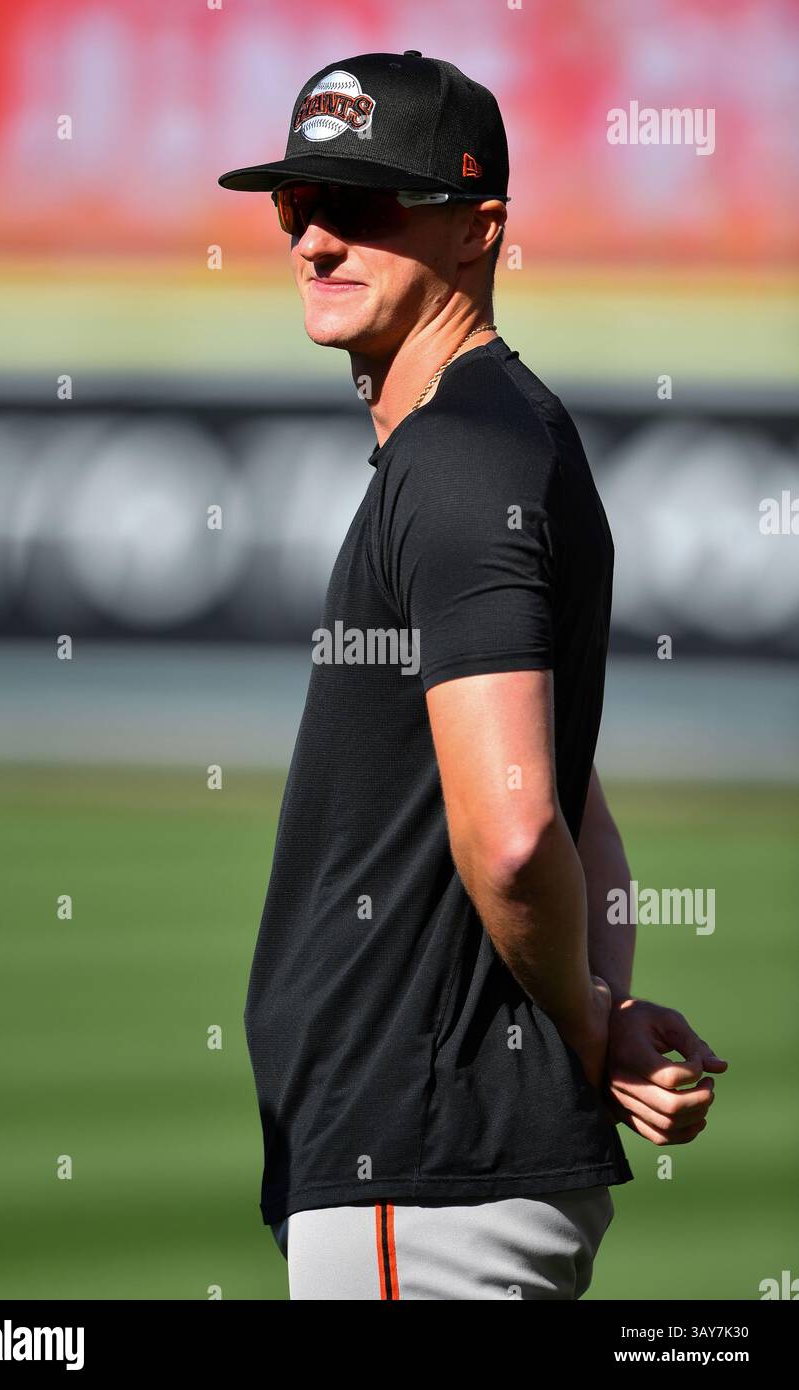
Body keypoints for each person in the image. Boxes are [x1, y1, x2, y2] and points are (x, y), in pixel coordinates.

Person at [218, 50, 728, 1301]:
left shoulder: (455, 460)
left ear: (476, 232)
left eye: (366, 206)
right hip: (448, 1172)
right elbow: (567, 796)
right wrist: (600, 1006)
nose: (316, 239)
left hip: (420, 1170)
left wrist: (571, 1025)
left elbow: (511, 838)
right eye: (297, 204)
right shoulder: (501, 437)